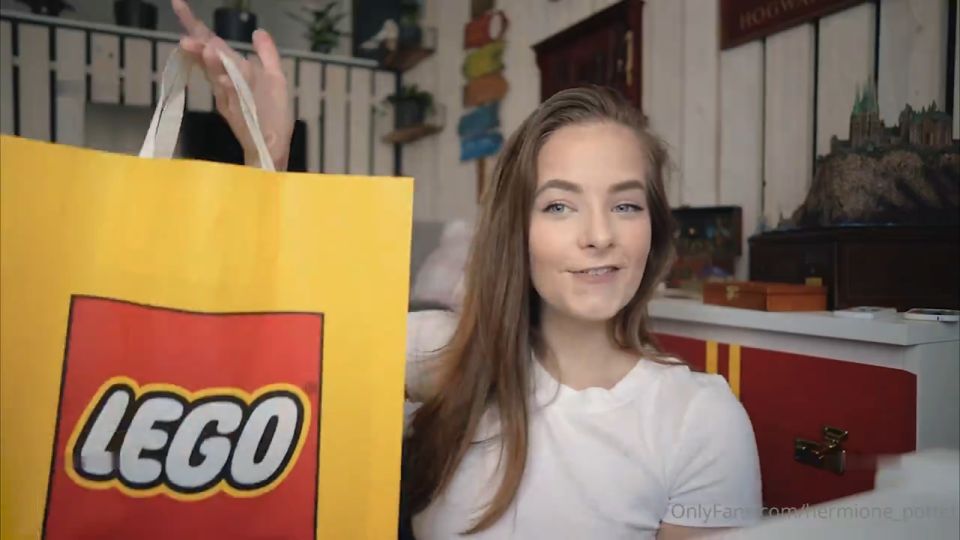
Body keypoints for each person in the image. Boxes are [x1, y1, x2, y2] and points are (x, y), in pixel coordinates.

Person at [171, 1, 762, 538]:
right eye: (560, 205)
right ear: (516, 230)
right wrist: (268, 156)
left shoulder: (700, 419)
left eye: (626, 205)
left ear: (653, 228)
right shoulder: (441, 353)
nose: (599, 234)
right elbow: (279, 332)